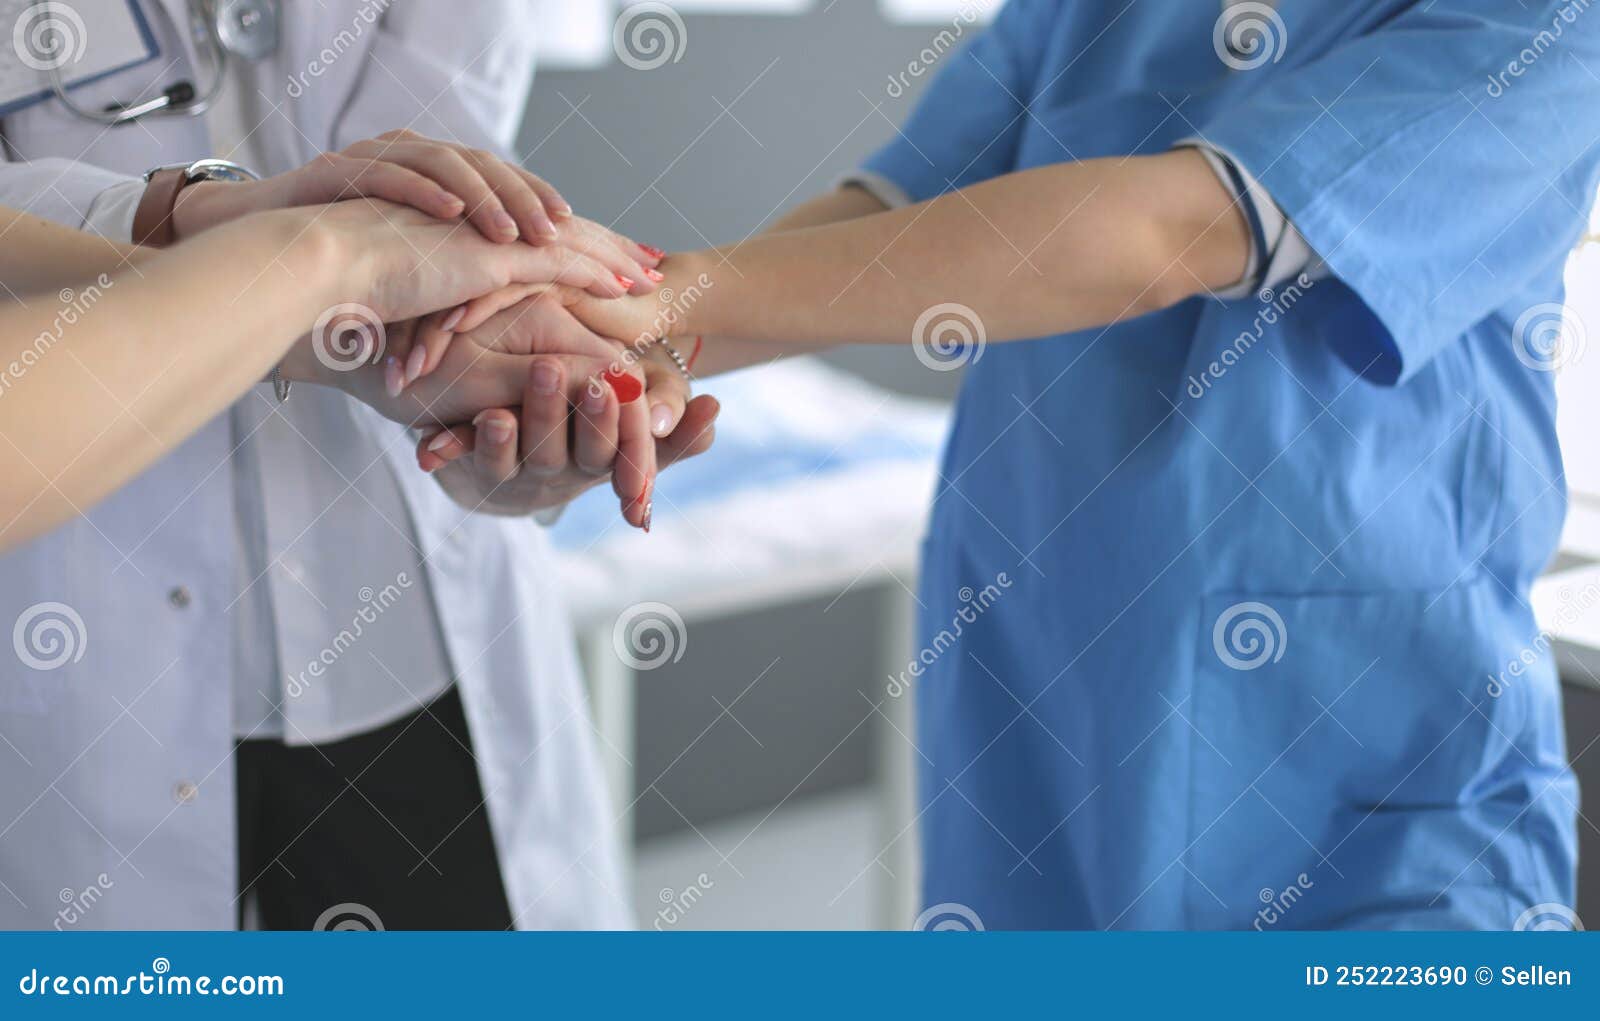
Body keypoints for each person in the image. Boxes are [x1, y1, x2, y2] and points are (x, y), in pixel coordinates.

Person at [433, 0, 1600, 929]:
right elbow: (879, 216)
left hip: (1372, 779)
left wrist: (655, 308)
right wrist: (608, 356)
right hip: (1044, 727)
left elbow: (1169, 232)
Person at [0, 0, 710, 931]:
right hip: (69, 610)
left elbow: (441, 208)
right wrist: (274, 246)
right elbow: (366, 253)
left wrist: (509, 365)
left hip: (398, 603)